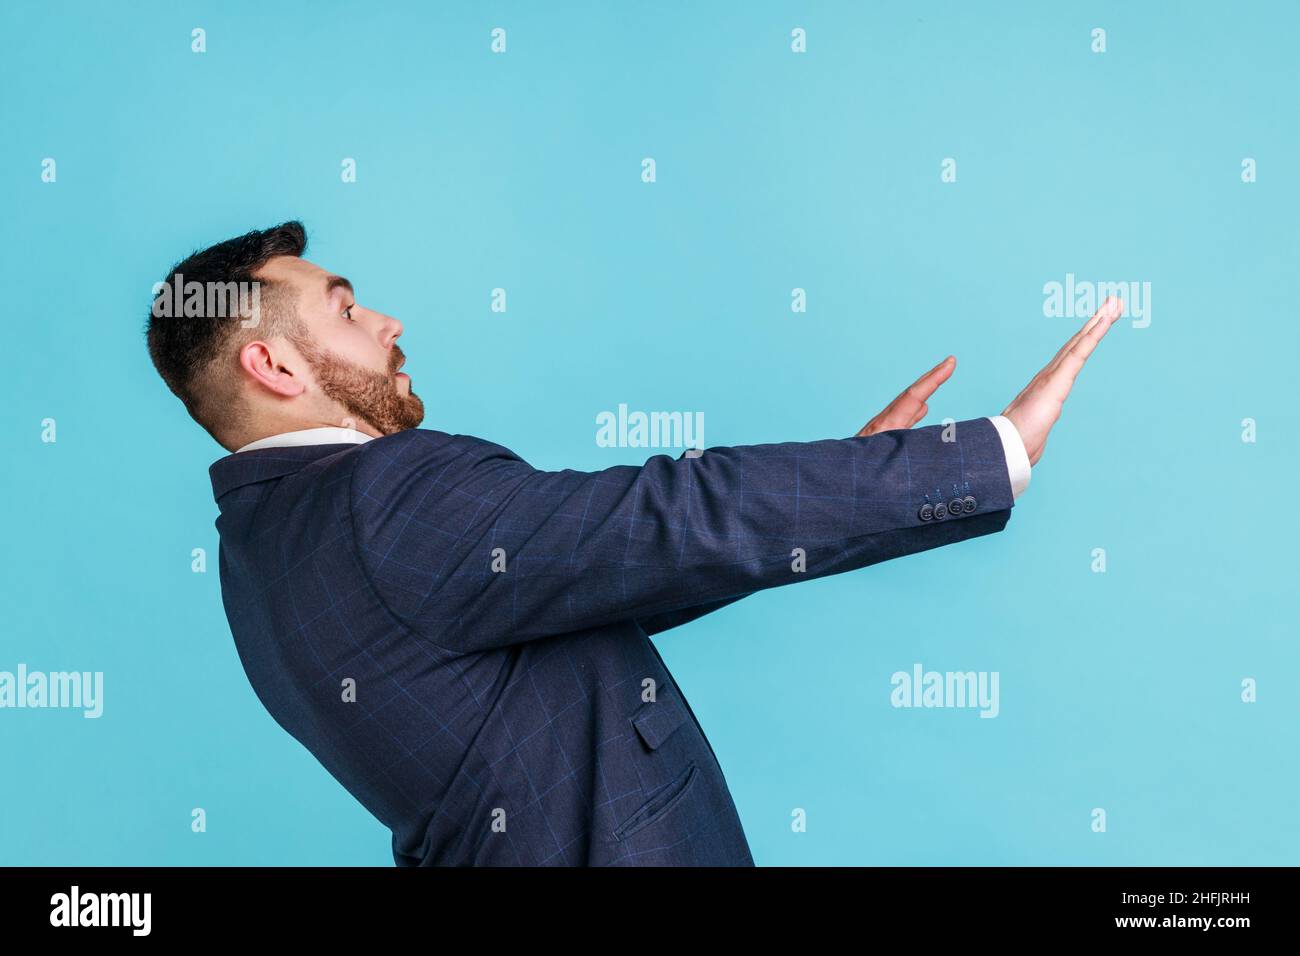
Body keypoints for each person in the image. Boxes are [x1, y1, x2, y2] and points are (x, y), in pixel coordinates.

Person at [147, 221, 1122, 865]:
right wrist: (982, 454)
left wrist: (859, 476)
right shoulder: (378, 497)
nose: (387, 321)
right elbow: (667, 513)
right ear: (273, 363)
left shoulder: (259, 551)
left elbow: (602, 568)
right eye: (348, 309)